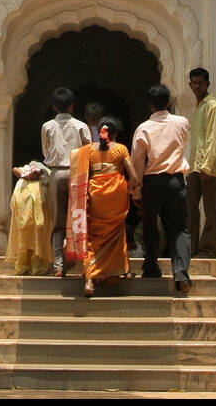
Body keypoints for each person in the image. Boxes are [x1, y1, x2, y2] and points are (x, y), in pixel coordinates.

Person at [131, 84, 193, 294]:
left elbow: (137, 161)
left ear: (150, 105)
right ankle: (181, 273)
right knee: (179, 228)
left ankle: (151, 267)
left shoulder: (144, 128)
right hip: (176, 180)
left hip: (152, 181)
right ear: (168, 102)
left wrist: (136, 189)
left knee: (150, 225)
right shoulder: (182, 123)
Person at [81, 117, 140, 297]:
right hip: (116, 197)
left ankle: (89, 280)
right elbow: (135, 177)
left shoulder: (88, 150)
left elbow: (81, 177)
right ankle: (115, 271)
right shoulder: (121, 149)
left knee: (92, 238)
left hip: (96, 195)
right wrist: (130, 189)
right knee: (116, 235)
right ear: (116, 132)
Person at [41, 87, 91, 276]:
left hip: (56, 173)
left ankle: (59, 264)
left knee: (58, 221)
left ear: (54, 107)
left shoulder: (47, 126)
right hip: (77, 174)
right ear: (72, 105)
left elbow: (46, 152)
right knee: (80, 218)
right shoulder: (81, 126)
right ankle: (83, 263)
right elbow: (89, 152)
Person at [187, 67, 216, 258]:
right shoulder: (200, 106)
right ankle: (191, 248)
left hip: (207, 167)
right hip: (195, 165)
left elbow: (214, 138)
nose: (197, 86)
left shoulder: (212, 106)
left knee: (211, 210)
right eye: (193, 83)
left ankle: (208, 250)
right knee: (190, 206)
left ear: (207, 84)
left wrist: (207, 166)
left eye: (200, 83)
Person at [5, 160, 54, 275]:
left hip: (40, 212)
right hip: (24, 211)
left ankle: (38, 265)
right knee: (24, 237)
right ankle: (24, 265)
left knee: (39, 237)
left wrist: (39, 174)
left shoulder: (47, 174)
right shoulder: (25, 170)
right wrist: (26, 174)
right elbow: (15, 169)